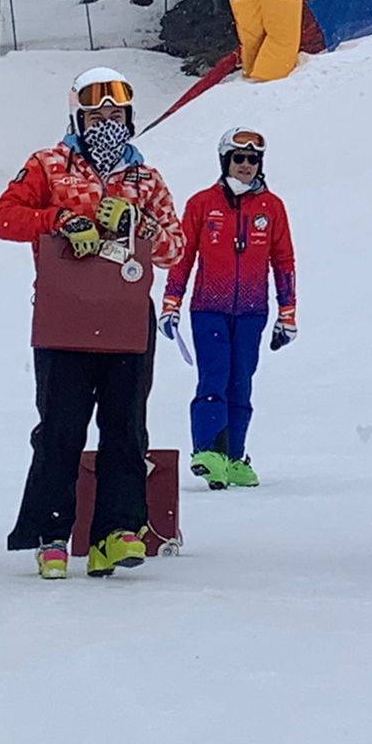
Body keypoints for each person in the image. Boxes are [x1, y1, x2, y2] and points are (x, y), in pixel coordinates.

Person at [0, 67, 185, 579]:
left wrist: (141, 224)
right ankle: (51, 534)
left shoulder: (146, 178)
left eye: (116, 113)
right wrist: (57, 219)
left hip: (125, 318)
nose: (106, 121)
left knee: (126, 426)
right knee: (60, 427)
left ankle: (117, 532)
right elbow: (3, 217)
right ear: (78, 115)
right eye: (96, 112)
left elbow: (175, 246)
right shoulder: (49, 165)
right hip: (65, 316)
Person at [161, 127, 298, 490]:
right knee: (213, 378)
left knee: (242, 383)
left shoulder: (271, 207)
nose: (246, 166)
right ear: (226, 161)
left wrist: (288, 313)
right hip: (209, 307)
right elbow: (182, 256)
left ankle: (235, 456)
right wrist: (171, 302)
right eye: (239, 158)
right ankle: (208, 452)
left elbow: (283, 261)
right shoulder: (202, 204)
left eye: (253, 160)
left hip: (252, 310)